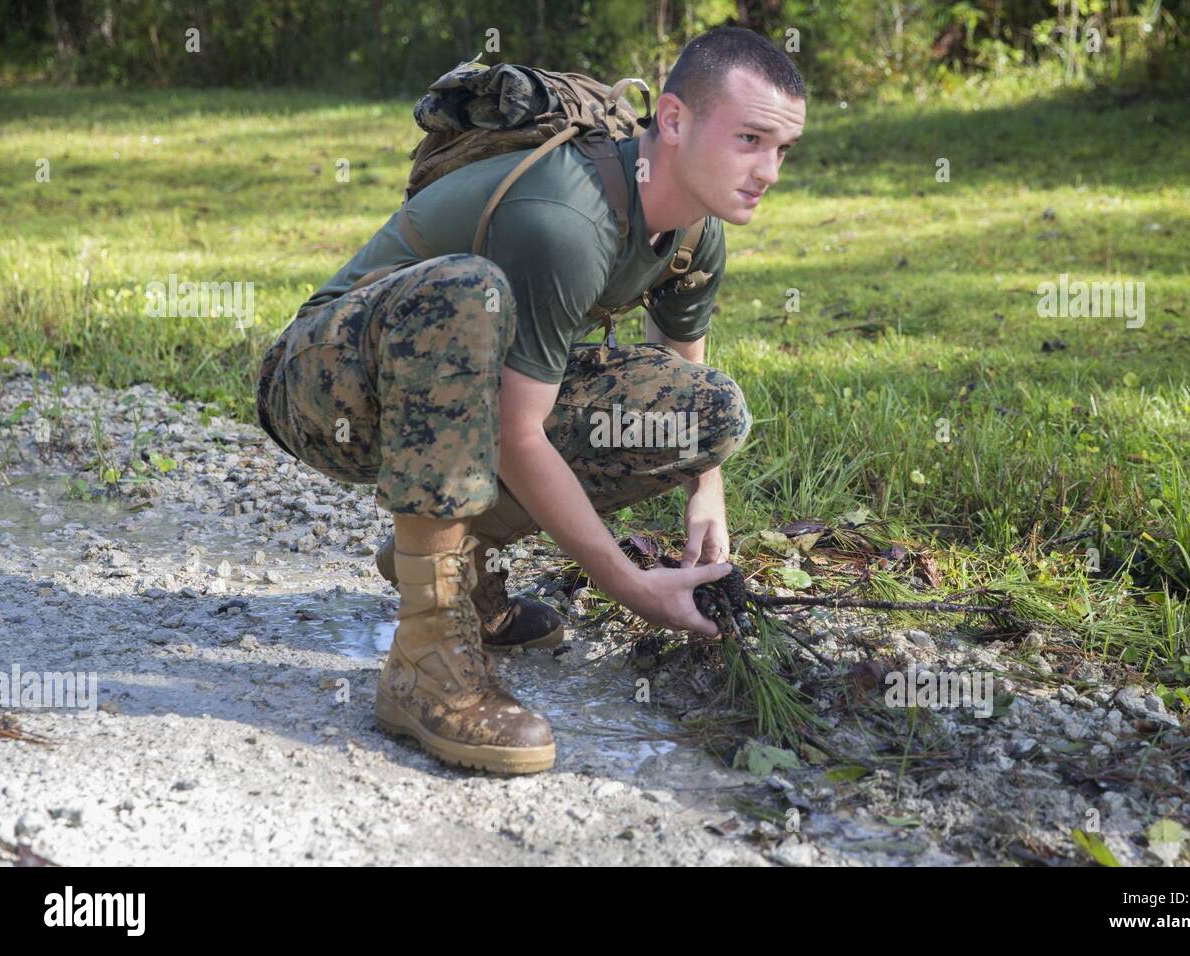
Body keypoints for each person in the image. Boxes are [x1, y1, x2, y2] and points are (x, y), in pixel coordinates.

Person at [256, 26, 807, 774]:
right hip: (322, 385)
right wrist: (630, 585)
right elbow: (519, 434)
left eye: (782, 149)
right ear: (673, 120)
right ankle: (423, 658)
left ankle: (459, 554)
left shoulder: (691, 230)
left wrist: (705, 496)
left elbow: (683, 370)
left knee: (709, 412)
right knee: (468, 296)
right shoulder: (567, 221)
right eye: (750, 139)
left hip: (447, 385)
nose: (769, 170)